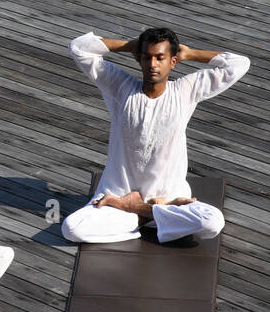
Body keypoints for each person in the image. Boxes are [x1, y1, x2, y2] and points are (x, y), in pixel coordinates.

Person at [61, 27, 249, 245]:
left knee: (212, 222)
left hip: (169, 200)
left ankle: (139, 211)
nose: (152, 65)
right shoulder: (120, 87)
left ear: (173, 61)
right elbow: (79, 48)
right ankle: (149, 215)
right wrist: (129, 46)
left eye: (160, 58)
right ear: (139, 60)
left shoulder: (185, 90)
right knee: (72, 228)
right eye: (147, 58)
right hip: (120, 200)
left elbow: (239, 63)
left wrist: (189, 53)